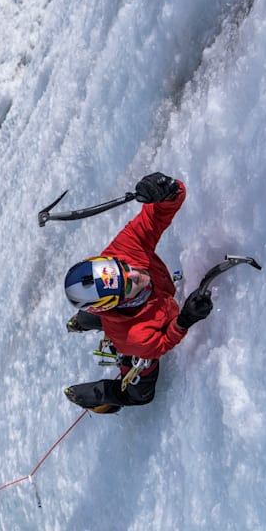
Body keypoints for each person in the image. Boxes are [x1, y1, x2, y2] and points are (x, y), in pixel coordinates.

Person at [62, 172, 214, 414]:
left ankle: (85, 320)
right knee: (140, 394)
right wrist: (185, 320)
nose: (134, 275)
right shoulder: (134, 337)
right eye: (127, 287)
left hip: (119, 315)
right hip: (131, 332)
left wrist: (168, 190)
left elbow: (157, 214)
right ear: (114, 302)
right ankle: (93, 394)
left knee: (109, 316)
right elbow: (161, 344)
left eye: (123, 268)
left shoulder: (124, 251)